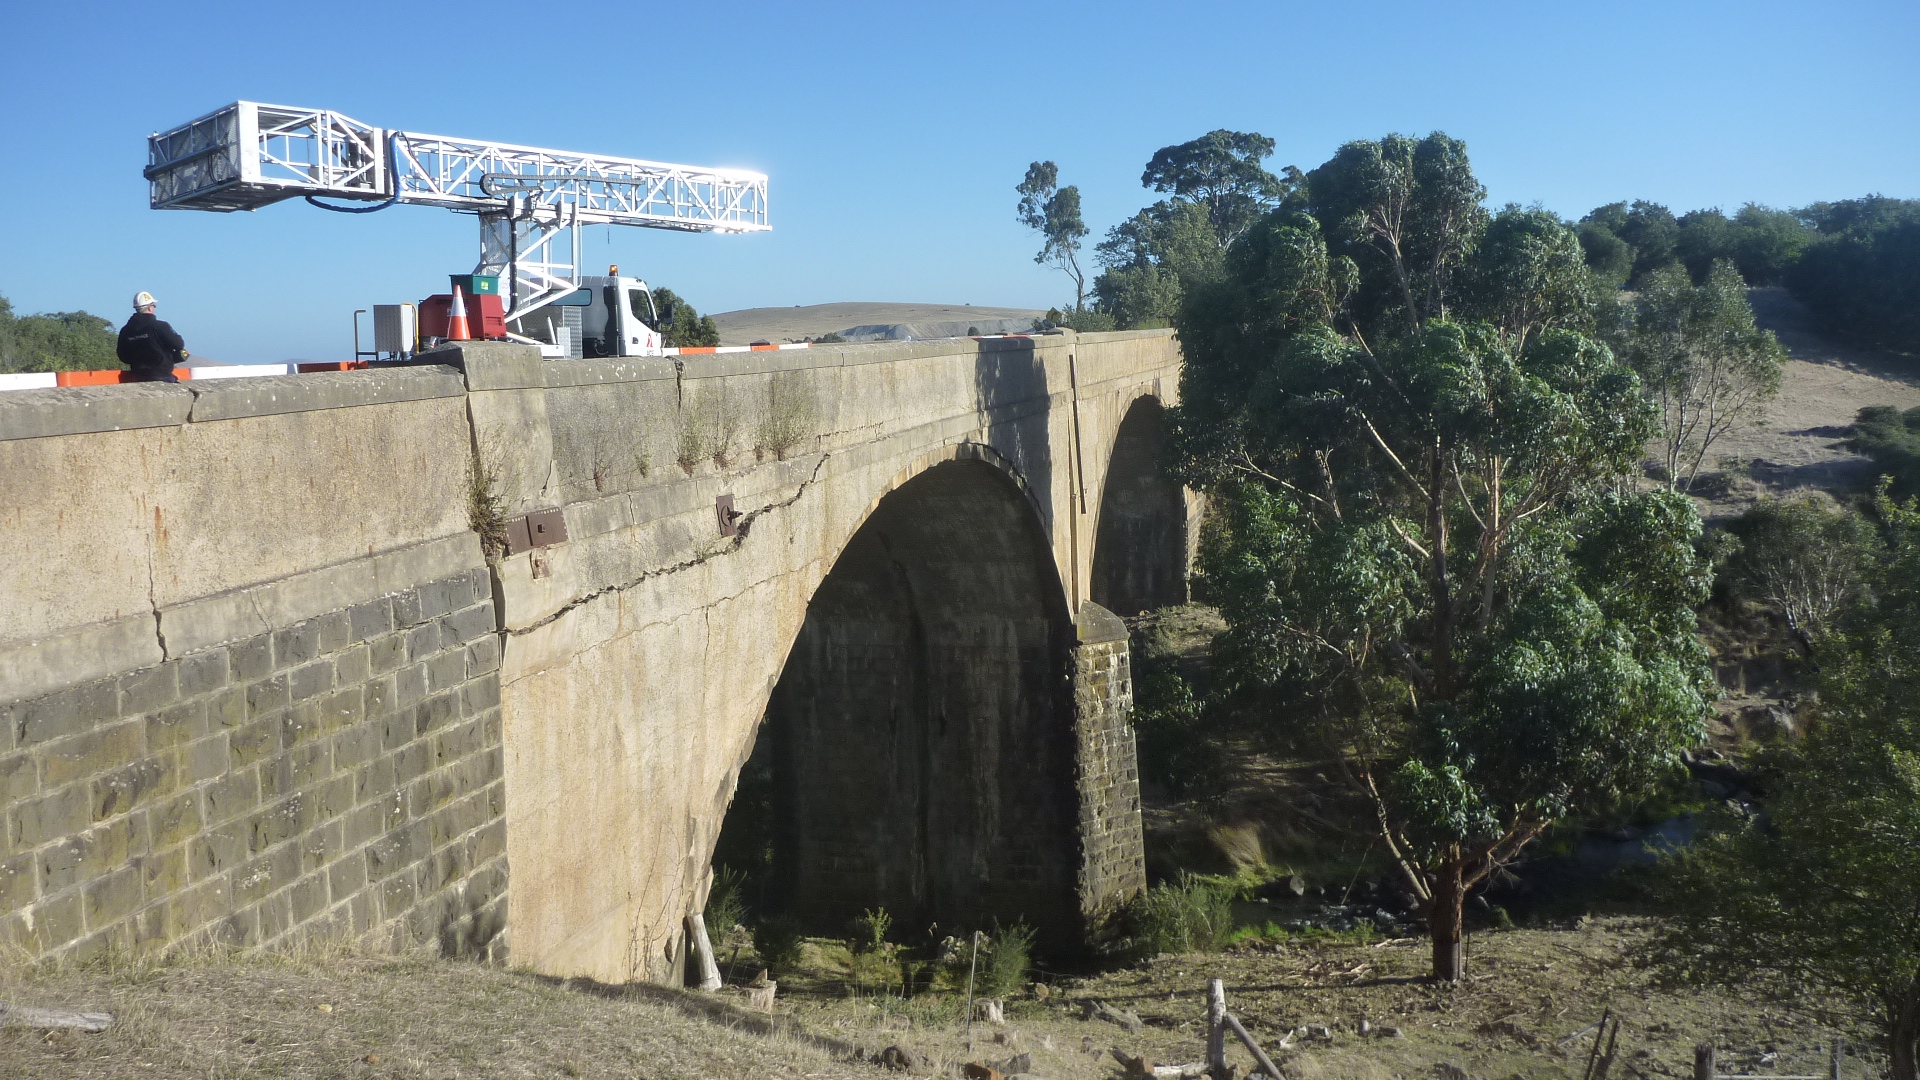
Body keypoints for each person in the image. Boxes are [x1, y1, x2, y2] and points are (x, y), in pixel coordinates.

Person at [117, 291, 189, 382]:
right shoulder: (160, 326)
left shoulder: (125, 330)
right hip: (162, 375)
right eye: (154, 306)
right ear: (150, 308)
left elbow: (123, 356)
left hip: (137, 376)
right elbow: (178, 344)